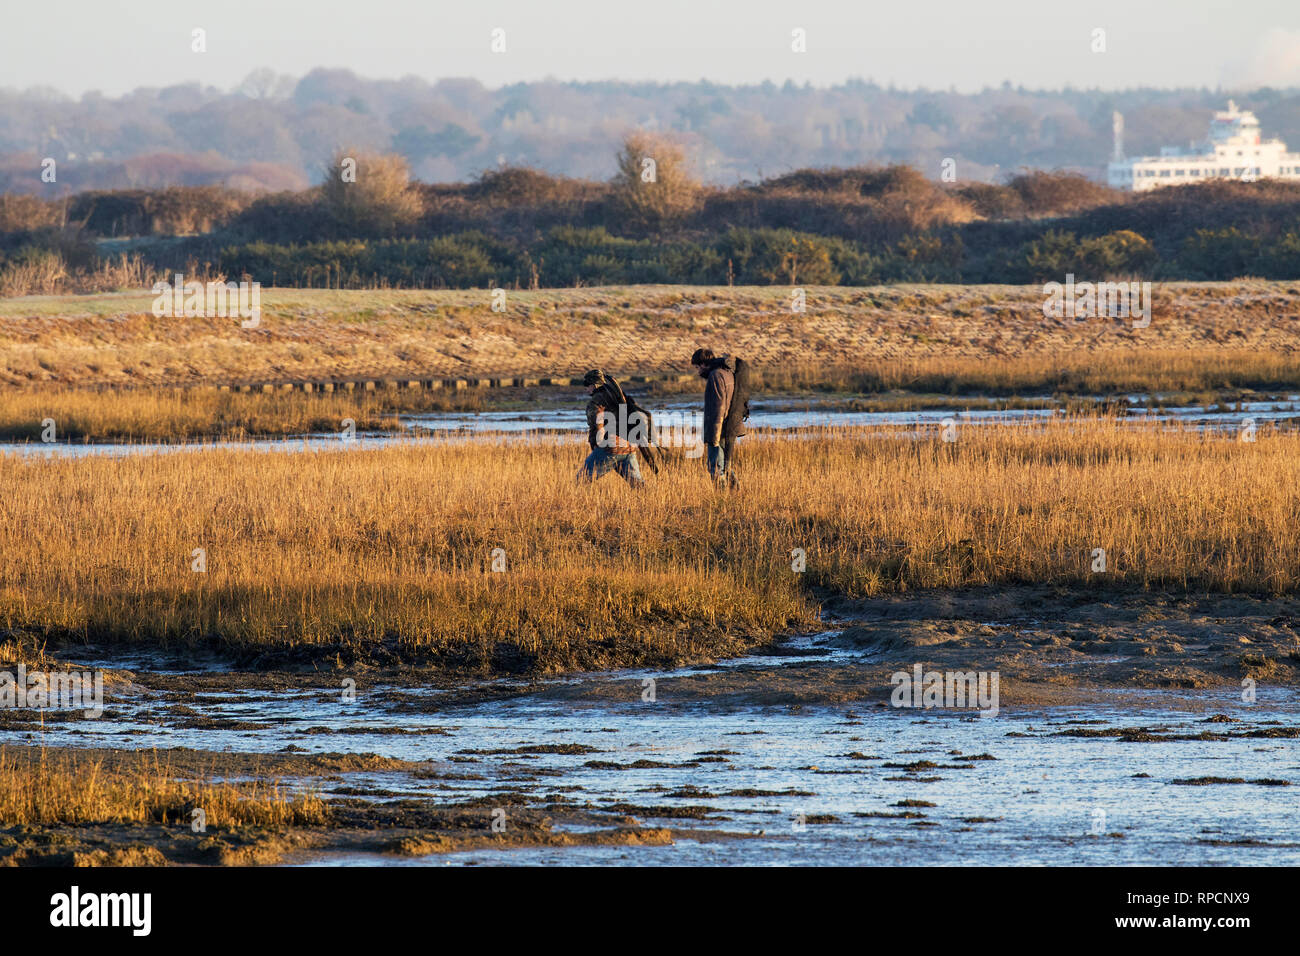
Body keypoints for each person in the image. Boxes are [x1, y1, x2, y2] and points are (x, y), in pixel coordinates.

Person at [576, 368, 657, 488]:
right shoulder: (618, 397)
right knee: (638, 485)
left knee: (581, 480)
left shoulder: (596, 401)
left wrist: (599, 444)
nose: (586, 389)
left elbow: (598, 424)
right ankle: (652, 499)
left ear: (594, 385)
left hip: (610, 448)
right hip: (628, 447)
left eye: (587, 385)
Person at [690, 348, 746, 489]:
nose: (698, 372)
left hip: (720, 428)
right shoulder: (727, 372)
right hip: (730, 425)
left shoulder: (716, 376)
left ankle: (722, 498)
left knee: (715, 466)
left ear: (703, 364)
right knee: (724, 465)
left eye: (697, 367)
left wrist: (713, 437)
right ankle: (736, 493)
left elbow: (718, 408)